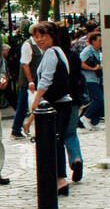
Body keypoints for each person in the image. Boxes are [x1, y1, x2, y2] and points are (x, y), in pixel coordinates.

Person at [25, 20, 72, 196]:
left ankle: (60, 179)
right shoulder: (57, 52)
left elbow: (46, 79)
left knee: (54, 142)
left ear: (52, 36)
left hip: (56, 103)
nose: (39, 40)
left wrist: (36, 101)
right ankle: (59, 179)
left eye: (43, 35)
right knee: (56, 141)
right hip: (61, 103)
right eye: (36, 36)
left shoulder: (52, 53)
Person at [57, 25, 84, 182]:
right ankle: (76, 159)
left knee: (60, 135)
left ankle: (63, 170)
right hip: (74, 97)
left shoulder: (55, 55)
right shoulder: (73, 55)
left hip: (60, 99)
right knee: (71, 132)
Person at [11, 25, 42, 139]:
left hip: (36, 79)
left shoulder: (38, 44)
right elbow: (25, 64)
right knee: (23, 105)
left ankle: (23, 125)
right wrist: (30, 82)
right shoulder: (28, 45)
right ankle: (16, 129)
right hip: (28, 81)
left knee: (30, 104)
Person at [79, 30, 103, 128]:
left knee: (101, 100)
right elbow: (81, 63)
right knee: (99, 98)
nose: (101, 43)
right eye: (99, 41)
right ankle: (86, 116)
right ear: (93, 41)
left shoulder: (97, 51)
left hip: (97, 78)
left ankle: (94, 122)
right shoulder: (88, 50)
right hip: (89, 78)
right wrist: (93, 68)